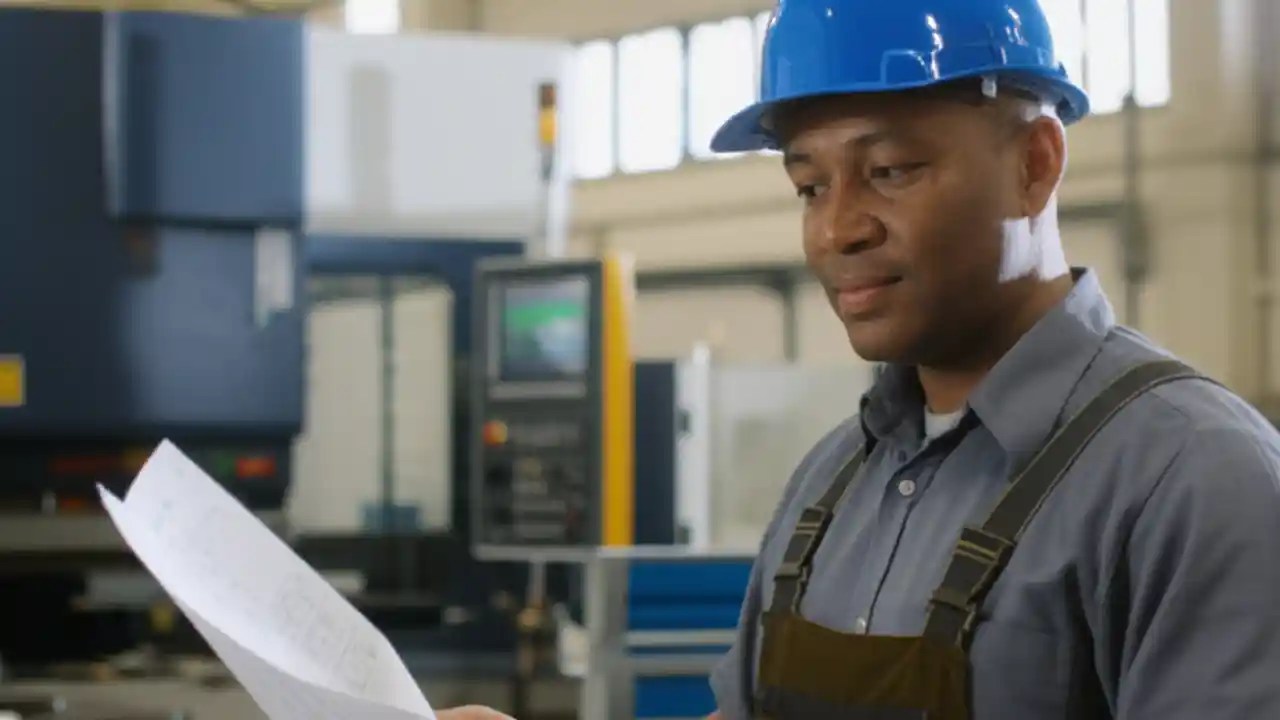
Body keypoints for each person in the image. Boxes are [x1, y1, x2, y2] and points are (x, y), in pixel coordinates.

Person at [700, 1, 1280, 719]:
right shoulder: (832, 483)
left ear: (1035, 164)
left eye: (888, 170)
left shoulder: (1191, 480)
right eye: (810, 187)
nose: (837, 229)